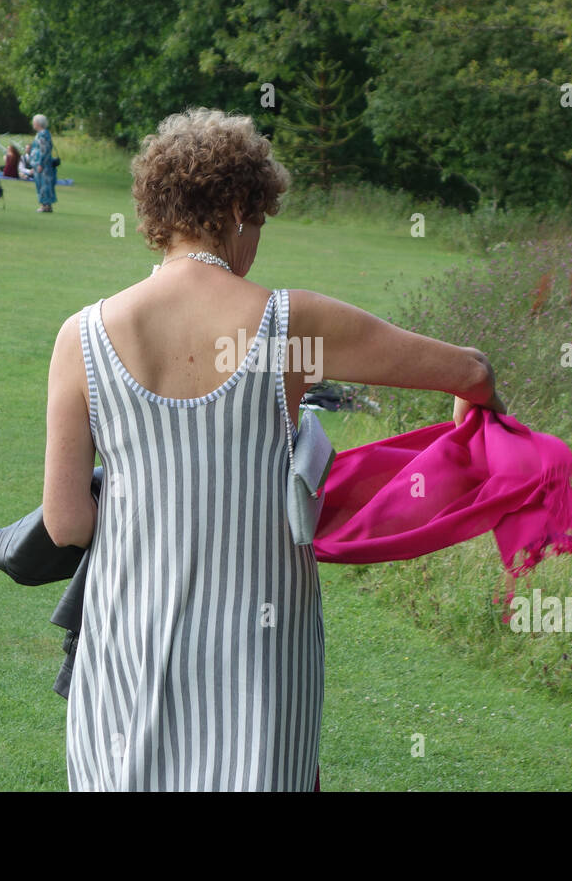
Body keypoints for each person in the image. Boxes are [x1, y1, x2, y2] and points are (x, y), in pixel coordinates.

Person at [40, 107, 501, 791]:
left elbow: (67, 524)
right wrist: (461, 460)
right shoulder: (291, 328)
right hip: (258, 649)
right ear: (234, 209)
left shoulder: (80, 338)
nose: (255, 241)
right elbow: (471, 372)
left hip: (128, 643)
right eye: (257, 221)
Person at [28, 113, 57, 212]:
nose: (33, 124)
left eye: (34, 122)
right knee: (40, 184)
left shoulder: (43, 134)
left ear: (38, 123)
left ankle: (45, 205)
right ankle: (45, 205)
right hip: (38, 164)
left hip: (43, 165)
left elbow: (44, 150)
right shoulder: (41, 134)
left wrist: (41, 163)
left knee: (44, 184)